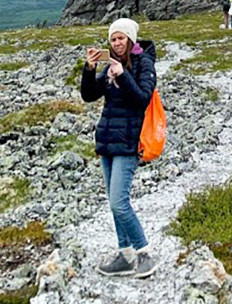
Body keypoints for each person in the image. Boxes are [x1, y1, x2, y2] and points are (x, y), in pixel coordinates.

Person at [81, 18, 158, 278]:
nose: (116, 43)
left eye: (121, 38)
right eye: (113, 39)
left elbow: (141, 99)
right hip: (107, 141)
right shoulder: (112, 66)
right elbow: (89, 95)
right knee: (114, 203)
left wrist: (122, 76)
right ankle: (125, 255)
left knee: (119, 202)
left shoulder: (143, 63)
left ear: (131, 39)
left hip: (128, 142)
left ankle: (144, 252)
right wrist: (90, 69)